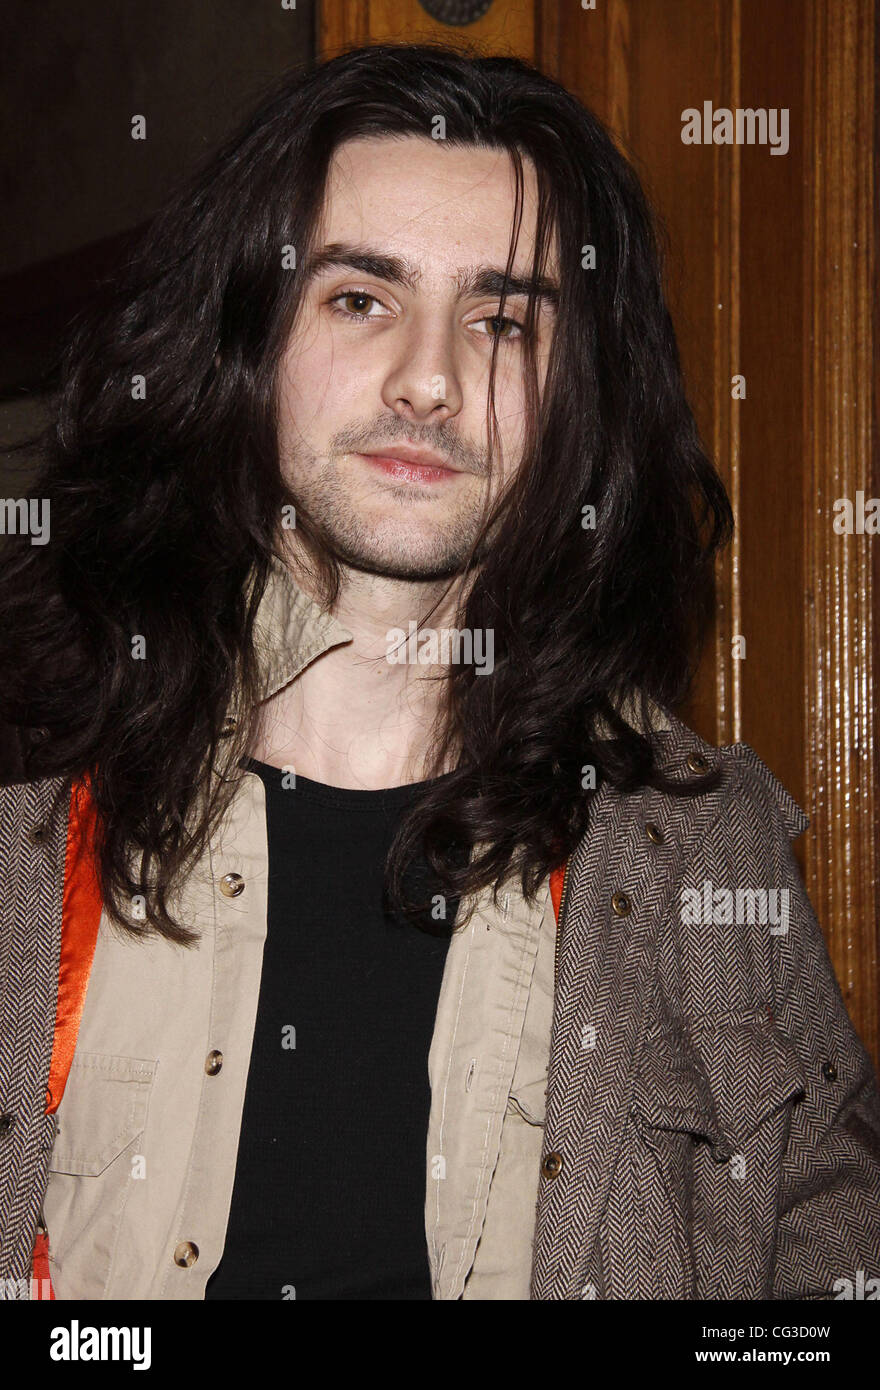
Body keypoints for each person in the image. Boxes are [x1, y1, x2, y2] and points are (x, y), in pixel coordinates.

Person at [1, 42, 878, 1302]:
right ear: (245, 341)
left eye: (502, 321)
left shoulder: (704, 850)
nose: (430, 379)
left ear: (575, 399)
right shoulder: (31, 827)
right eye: (360, 298)